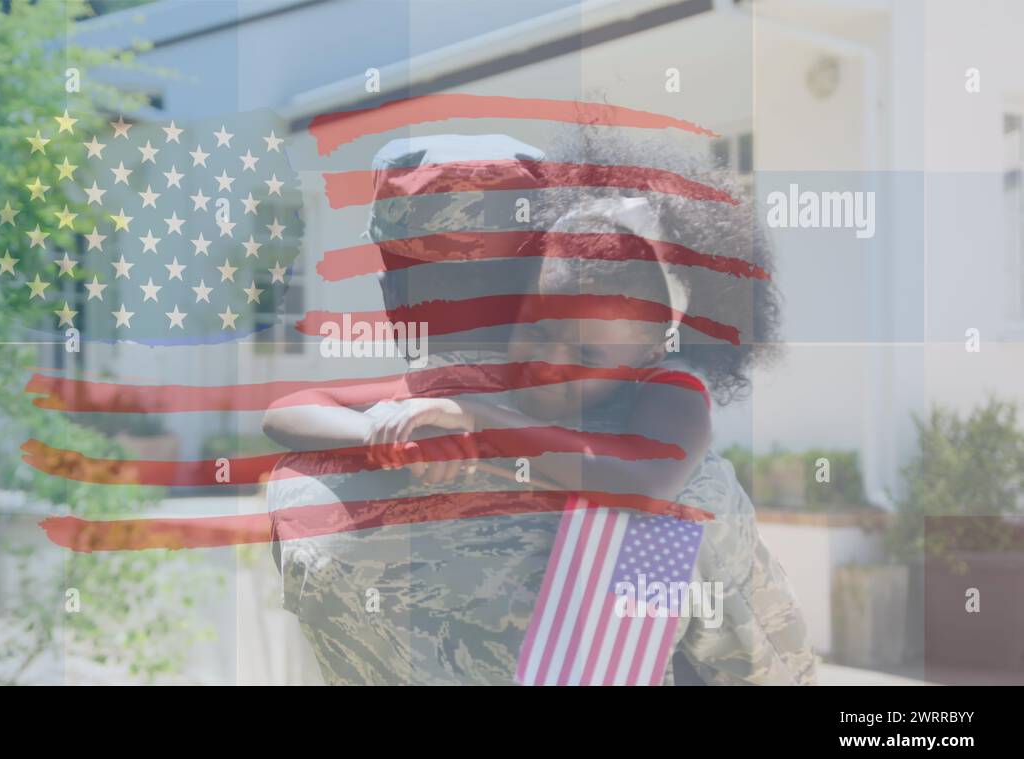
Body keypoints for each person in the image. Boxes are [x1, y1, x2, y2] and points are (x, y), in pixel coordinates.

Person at [264, 127, 817, 685]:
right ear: (538, 275)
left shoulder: (303, 485)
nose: (553, 359)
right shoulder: (697, 495)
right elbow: (775, 673)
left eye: (582, 350)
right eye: (543, 329)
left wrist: (466, 423)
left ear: (389, 297)